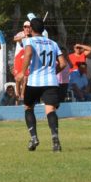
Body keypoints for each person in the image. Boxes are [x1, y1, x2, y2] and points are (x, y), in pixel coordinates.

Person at [16, 17, 67, 152]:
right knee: (50, 111)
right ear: (43, 29)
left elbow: (28, 53)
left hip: (34, 82)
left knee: (28, 108)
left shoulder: (29, 41)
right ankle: (55, 138)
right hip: (51, 82)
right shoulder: (53, 43)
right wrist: (53, 72)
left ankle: (34, 138)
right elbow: (63, 63)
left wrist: (22, 72)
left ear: (31, 29)